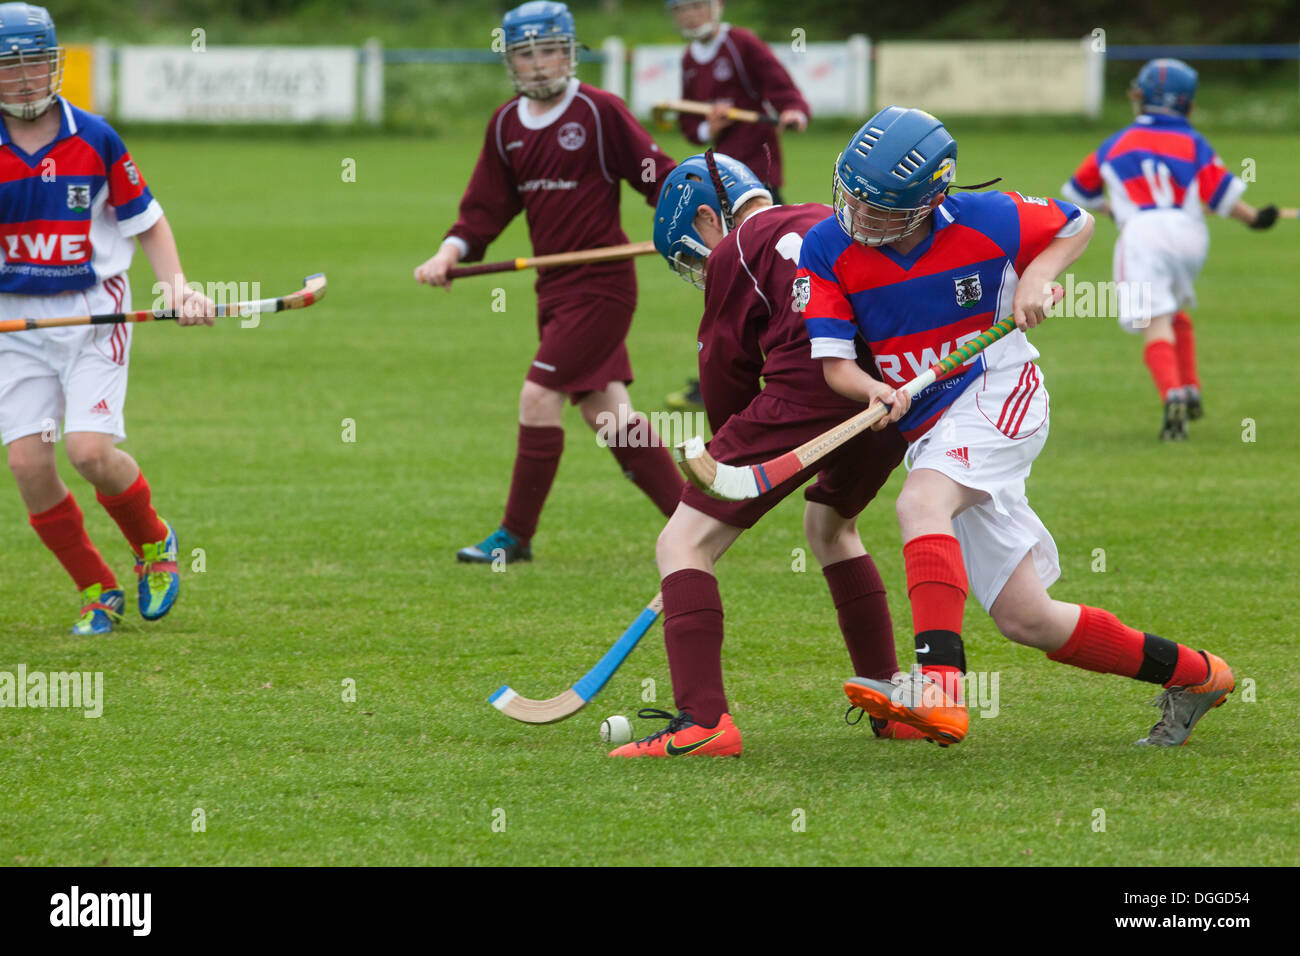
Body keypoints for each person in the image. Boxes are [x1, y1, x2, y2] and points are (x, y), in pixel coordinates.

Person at [798, 106, 1234, 747]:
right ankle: (1200, 676)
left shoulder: (990, 219)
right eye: (854, 199)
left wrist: (1038, 273)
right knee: (1028, 618)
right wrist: (872, 390)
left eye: (882, 210)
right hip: (930, 425)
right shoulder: (827, 246)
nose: (860, 219)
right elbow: (836, 363)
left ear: (930, 198)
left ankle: (940, 685)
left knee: (921, 501)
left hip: (999, 391)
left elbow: (1077, 221)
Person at [608, 152, 914, 758]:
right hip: (892, 392)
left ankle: (702, 723)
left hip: (810, 389)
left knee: (682, 543)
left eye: (693, 256)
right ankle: (892, 698)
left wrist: (731, 472)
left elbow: (724, 371)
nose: (704, 268)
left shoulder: (735, 249)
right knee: (830, 526)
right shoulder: (827, 216)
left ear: (706, 219)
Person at [414, 1, 684, 565]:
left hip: (603, 285)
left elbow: (658, 175)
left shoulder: (599, 111)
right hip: (554, 288)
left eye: (549, 51)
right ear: (511, 61)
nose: (538, 65)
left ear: (569, 52)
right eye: (525, 54)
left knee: (538, 397)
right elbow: (484, 209)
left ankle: (514, 536)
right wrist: (449, 252)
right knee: (609, 415)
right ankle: (697, 518)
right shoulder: (506, 125)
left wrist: (688, 226)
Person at [0, 2, 213, 635]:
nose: (25, 79)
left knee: (90, 453)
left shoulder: (94, 136)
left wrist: (180, 288)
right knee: (28, 466)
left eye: (36, 62)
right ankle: (97, 587)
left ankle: (154, 543)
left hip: (94, 313)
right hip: (15, 324)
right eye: (9, 67)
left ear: (55, 63)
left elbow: (146, 221)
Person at [1061, 58, 1280, 440]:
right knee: (1174, 309)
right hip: (1189, 234)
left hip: (1143, 234)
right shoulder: (1193, 142)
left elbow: (1080, 191)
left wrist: (1117, 209)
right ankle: (1191, 385)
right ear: (1188, 106)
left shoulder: (1117, 143)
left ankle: (1172, 395)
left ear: (1140, 99)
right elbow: (1224, 197)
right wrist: (1257, 218)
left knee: (1154, 320)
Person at [661, 0, 811, 415]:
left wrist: (793, 109)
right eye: (680, 10)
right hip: (715, 186)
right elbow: (692, 128)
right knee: (724, 276)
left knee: (775, 272)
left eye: (695, 6)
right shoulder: (690, 58)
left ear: (715, 6)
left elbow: (779, 85)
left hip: (756, 180)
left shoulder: (741, 43)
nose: (689, 16)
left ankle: (791, 359)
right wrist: (713, 125)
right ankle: (727, 366)